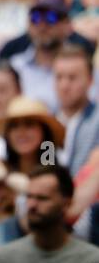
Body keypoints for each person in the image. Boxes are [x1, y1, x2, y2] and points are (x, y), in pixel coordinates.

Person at [55, 44, 99, 172]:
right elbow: (46, 168)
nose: (64, 85)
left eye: (72, 78)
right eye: (59, 77)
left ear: (90, 80)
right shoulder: (47, 123)